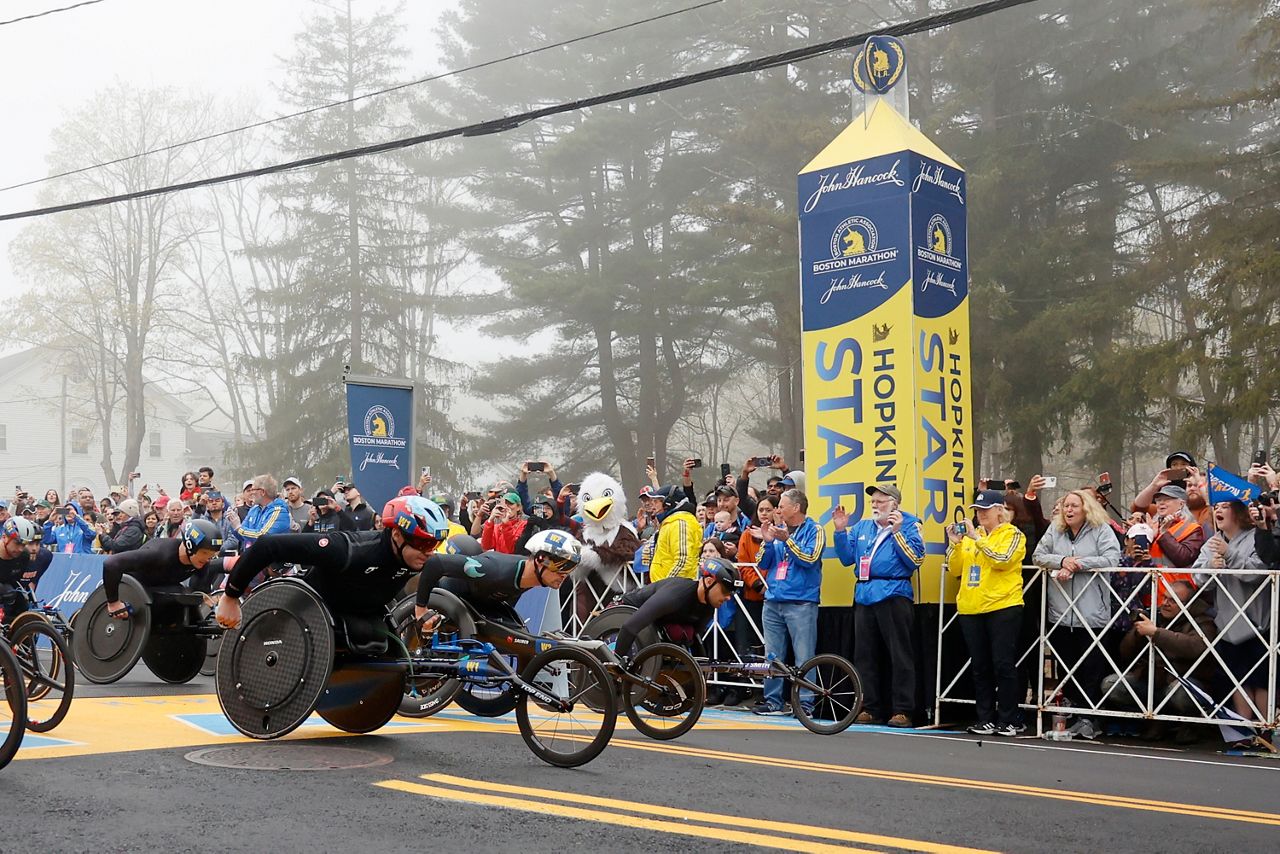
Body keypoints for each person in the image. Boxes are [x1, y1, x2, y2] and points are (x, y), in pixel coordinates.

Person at [217, 497, 452, 630]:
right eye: (422, 545)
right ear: (397, 536)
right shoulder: (349, 549)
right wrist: (230, 595)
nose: (428, 553)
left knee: (379, 637)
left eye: (434, 545)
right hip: (309, 615)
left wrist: (421, 612)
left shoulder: (418, 558)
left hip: (363, 615)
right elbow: (267, 546)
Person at [1032, 489, 1123, 740]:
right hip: (1060, 612)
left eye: (1074, 505)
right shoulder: (1055, 530)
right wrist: (1062, 560)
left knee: (1091, 667)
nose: (1069, 510)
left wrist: (1079, 563)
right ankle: (1074, 715)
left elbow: (1112, 558)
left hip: (1091, 612)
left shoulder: (1101, 530)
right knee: (1066, 666)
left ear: (1086, 508)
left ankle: (1091, 718)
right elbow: (1038, 556)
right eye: (1065, 506)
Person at [832, 484, 924, 728]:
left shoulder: (910, 524)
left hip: (894, 593)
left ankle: (902, 709)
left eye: (881, 501)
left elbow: (915, 559)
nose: (875, 505)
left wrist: (897, 532)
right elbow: (846, 558)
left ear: (894, 503)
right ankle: (870, 707)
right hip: (864, 593)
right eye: (873, 501)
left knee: (899, 655)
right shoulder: (863, 526)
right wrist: (840, 531)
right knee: (865, 655)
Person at [947, 488, 1027, 737]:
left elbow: (1002, 559)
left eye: (985, 510)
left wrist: (978, 540)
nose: (980, 514)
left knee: (1003, 664)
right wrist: (956, 545)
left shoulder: (1013, 534)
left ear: (998, 511)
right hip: (971, 607)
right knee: (980, 666)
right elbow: (954, 569)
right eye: (977, 510)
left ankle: (1009, 718)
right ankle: (985, 718)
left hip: (1003, 606)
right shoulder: (973, 536)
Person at [1193, 500, 1271, 743]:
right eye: (1216, 506)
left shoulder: (1255, 537)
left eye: (1225, 506)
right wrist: (1209, 567)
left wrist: (1230, 555)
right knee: (1238, 677)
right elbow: (1197, 578)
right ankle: (1244, 731)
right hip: (1228, 624)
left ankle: (1266, 729)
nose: (1218, 510)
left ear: (1239, 511)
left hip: (1258, 622)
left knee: (1261, 678)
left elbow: (1257, 572)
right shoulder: (1212, 542)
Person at [1101, 580, 1217, 744]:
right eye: (1164, 598)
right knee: (1111, 685)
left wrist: (1156, 633)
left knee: (1180, 693)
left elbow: (1196, 647)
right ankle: (1159, 718)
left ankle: (1190, 722)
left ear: (1188, 604)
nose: (1165, 604)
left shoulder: (1203, 620)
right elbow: (1125, 653)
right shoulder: (1155, 615)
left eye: (1173, 601)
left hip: (1186, 681)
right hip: (1154, 681)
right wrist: (1137, 633)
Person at [413, 529, 585, 629]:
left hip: (482, 602)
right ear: (540, 560)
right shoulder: (493, 569)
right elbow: (435, 563)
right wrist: (421, 608)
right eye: (561, 567)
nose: (564, 575)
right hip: (451, 595)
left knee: (521, 634)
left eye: (570, 568)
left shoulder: (531, 579)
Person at [753, 488, 825, 716]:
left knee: (804, 656)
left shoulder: (815, 529)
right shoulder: (778, 530)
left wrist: (789, 541)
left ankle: (805, 704)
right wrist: (766, 542)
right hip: (773, 600)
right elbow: (762, 564)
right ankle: (773, 701)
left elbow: (810, 558)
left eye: (782, 506)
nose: (777, 510)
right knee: (773, 655)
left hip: (801, 602)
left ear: (796, 507)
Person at [611, 556, 743, 658]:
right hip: (621, 616)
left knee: (682, 632)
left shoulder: (708, 605)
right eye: (725, 592)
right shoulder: (676, 595)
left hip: (657, 625)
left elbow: (693, 641)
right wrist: (617, 668)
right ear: (709, 582)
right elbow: (630, 627)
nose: (728, 598)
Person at [102, 519, 224, 618]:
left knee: (184, 597)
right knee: (178, 593)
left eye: (212, 555)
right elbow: (111, 564)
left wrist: (210, 600)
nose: (208, 559)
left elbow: (199, 592)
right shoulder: (158, 554)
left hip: (160, 589)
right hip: (132, 589)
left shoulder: (202, 561)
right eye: (205, 553)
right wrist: (113, 603)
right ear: (190, 546)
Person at [0, 519, 51, 623]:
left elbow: (17, 582)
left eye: (23, 545)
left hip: (10, 589)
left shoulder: (24, 556)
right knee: (6, 591)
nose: (20, 549)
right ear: (4, 538)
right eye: (17, 543)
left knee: (21, 602)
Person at [236, 475, 291, 551]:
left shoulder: (279, 512)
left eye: (253, 489)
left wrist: (238, 528)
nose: (251, 493)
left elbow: (263, 537)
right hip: (253, 558)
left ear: (262, 492)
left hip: (272, 561)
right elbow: (242, 536)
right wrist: (233, 523)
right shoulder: (254, 509)